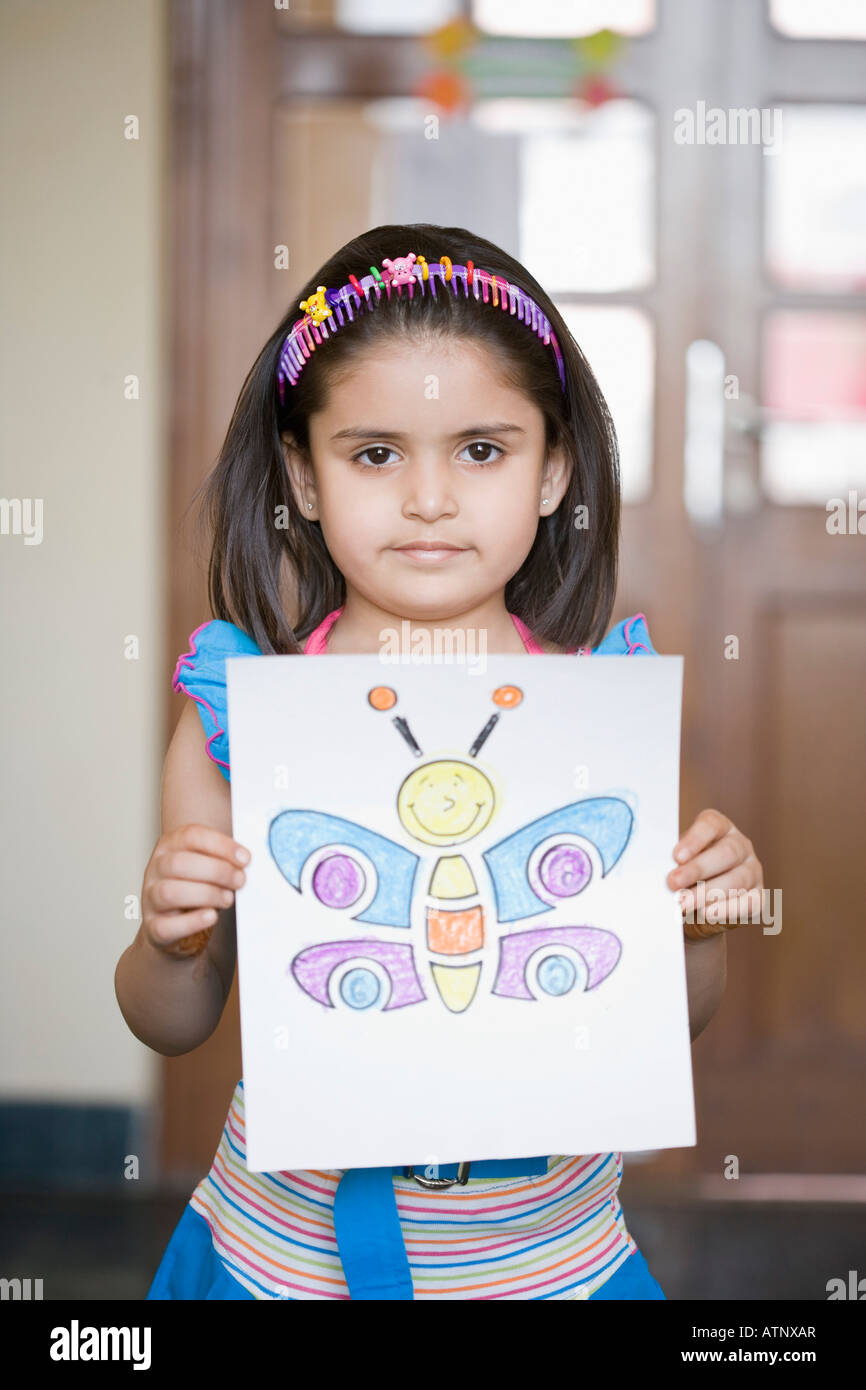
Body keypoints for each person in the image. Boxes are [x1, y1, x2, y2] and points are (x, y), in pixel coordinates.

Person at [115, 223, 763, 1300]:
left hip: (546, 1268)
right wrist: (168, 939)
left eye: (480, 449)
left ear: (552, 468)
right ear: (303, 476)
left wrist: (694, 924)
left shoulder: (602, 713)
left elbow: (670, 1011)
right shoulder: (236, 712)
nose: (428, 498)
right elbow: (172, 1022)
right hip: (283, 1266)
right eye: (374, 453)